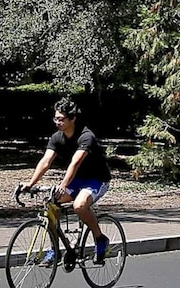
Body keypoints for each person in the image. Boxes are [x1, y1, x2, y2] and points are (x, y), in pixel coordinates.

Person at [20, 98, 112, 264]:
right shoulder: (57, 138)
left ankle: (100, 238)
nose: (58, 122)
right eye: (55, 118)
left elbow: (75, 163)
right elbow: (46, 161)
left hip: (96, 180)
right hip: (76, 181)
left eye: (61, 119)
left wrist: (63, 185)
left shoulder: (86, 136)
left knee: (79, 205)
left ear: (73, 118)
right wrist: (30, 183)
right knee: (51, 202)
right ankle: (55, 249)